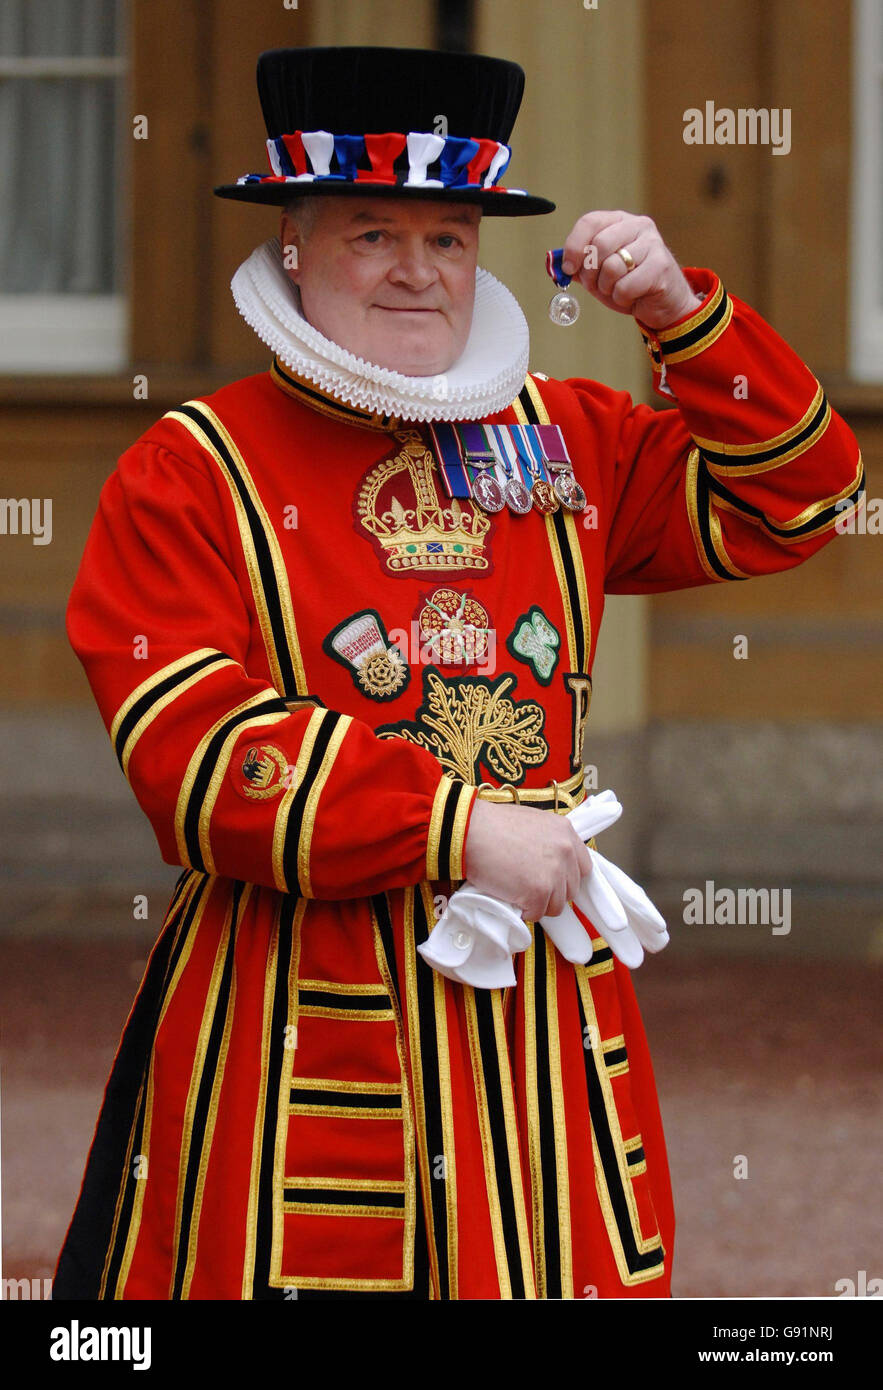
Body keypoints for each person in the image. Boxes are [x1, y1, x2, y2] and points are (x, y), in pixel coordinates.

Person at [53, 45, 863, 1301]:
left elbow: (799, 497)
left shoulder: (566, 436)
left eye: (446, 234)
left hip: (533, 1008)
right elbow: (196, 752)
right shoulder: (190, 466)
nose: (416, 271)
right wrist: (460, 827)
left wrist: (677, 312)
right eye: (372, 232)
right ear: (291, 248)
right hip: (298, 1002)